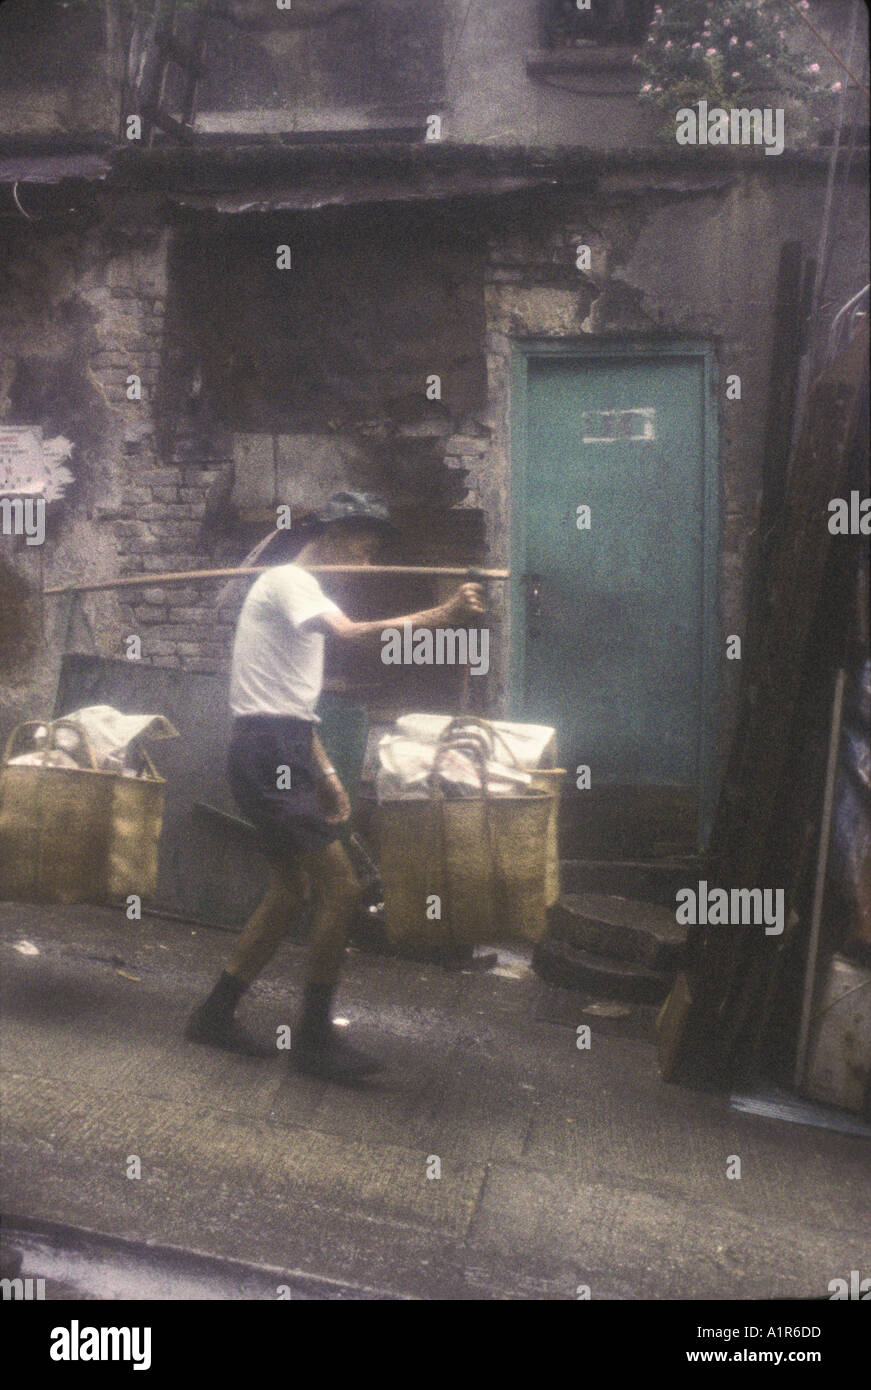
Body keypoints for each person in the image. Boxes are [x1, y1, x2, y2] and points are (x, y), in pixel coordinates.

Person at [185, 492, 485, 1082]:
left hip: (282, 747)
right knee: (342, 891)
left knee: (291, 892)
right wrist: (440, 616)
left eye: (375, 554)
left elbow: (293, 702)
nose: (368, 565)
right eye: (364, 549)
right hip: (266, 751)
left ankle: (214, 1014)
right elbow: (351, 634)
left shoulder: (305, 599)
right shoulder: (288, 581)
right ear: (333, 535)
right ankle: (314, 1042)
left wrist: (323, 773)